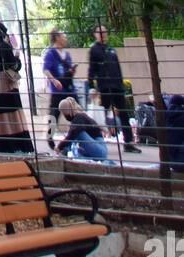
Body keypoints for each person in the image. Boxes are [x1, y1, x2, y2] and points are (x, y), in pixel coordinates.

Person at [87, 24, 140, 152]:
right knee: (100, 115)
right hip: (104, 87)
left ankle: (128, 143)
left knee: (124, 115)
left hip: (117, 87)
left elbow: (117, 67)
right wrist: (91, 87)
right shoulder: (94, 50)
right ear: (95, 34)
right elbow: (91, 69)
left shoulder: (111, 49)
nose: (103, 34)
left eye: (104, 32)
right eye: (100, 32)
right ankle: (93, 140)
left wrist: (121, 84)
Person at [0, 21, 34, 153]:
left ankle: (3, 147)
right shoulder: (4, 47)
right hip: (7, 85)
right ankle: (18, 145)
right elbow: (14, 66)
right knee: (13, 115)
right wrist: (17, 56)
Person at [43, 28, 77, 149]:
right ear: (57, 38)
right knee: (54, 115)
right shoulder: (51, 53)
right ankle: (50, 136)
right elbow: (46, 69)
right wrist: (54, 80)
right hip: (57, 91)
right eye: (64, 36)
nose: (65, 38)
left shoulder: (67, 55)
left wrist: (71, 71)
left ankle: (76, 138)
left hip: (69, 89)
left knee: (76, 114)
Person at [55, 95, 111, 162]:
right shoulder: (79, 117)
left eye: (64, 113)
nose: (64, 116)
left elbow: (73, 133)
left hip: (100, 153)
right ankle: (65, 153)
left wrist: (60, 146)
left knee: (77, 134)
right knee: (72, 138)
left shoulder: (79, 117)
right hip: (98, 150)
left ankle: (63, 153)